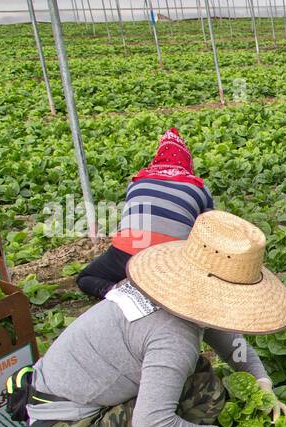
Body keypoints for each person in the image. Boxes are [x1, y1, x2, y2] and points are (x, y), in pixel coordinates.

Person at [10, 211, 286, 427]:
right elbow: (151, 424)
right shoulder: (173, 338)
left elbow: (227, 339)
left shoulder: (171, 292)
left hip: (53, 405)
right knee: (201, 390)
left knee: (190, 375)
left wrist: (261, 383)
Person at [76, 127, 214, 299]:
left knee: (86, 278)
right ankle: (164, 289)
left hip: (128, 251)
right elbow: (208, 229)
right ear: (187, 161)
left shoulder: (137, 181)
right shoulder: (199, 187)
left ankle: (122, 294)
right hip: (173, 258)